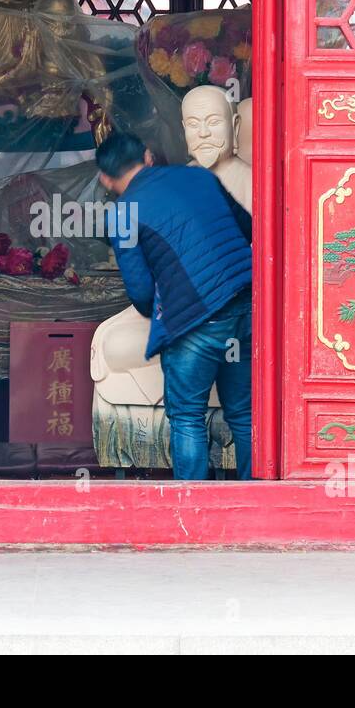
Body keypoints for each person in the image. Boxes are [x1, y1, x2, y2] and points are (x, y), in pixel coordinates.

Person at [95, 131, 253, 480]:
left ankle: (190, 511)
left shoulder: (123, 213)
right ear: (148, 156)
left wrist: (167, 309)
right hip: (246, 306)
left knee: (187, 417)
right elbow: (248, 228)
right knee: (244, 414)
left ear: (105, 178)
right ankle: (254, 499)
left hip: (196, 322)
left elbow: (139, 291)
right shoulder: (198, 176)